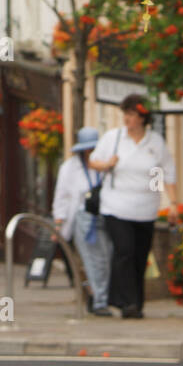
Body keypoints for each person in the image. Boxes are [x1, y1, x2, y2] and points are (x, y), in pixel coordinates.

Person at [90, 93, 176, 319]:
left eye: (132, 114)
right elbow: (93, 161)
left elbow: (167, 172)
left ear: (142, 117)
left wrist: (173, 203)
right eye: (125, 114)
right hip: (116, 205)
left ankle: (136, 302)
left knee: (139, 256)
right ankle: (126, 302)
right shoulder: (113, 138)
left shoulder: (155, 142)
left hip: (146, 207)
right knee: (124, 251)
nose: (127, 118)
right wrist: (107, 164)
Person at [52, 125, 113, 316]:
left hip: (106, 214)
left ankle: (97, 294)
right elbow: (61, 196)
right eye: (88, 148)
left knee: (107, 258)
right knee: (93, 260)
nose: (90, 152)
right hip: (83, 218)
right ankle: (99, 299)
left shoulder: (104, 164)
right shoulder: (69, 168)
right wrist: (59, 222)